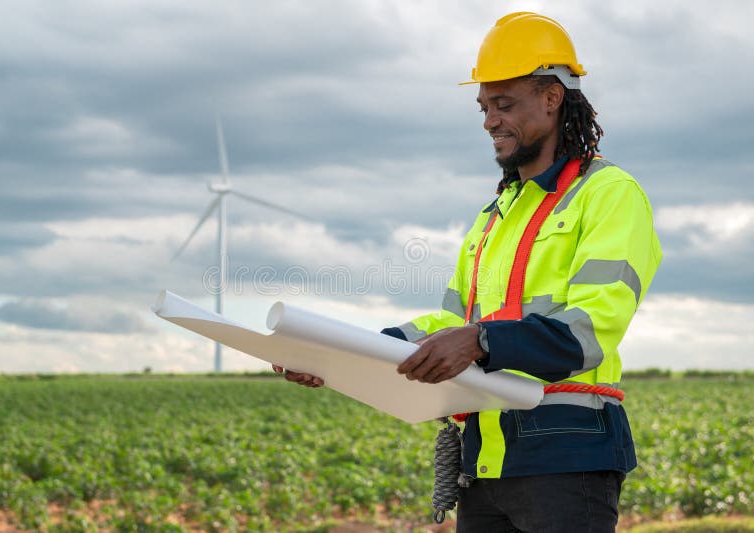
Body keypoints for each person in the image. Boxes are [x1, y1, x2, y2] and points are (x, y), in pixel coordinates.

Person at [276, 11, 661, 532]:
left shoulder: (610, 194)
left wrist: (479, 340)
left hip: (567, 457)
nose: (489, 120)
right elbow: (448, 326)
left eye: (504, 104)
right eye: (484, 107)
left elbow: (590, 332)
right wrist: (342, 353)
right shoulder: (494, 215)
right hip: (485, 462)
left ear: (552, 98)